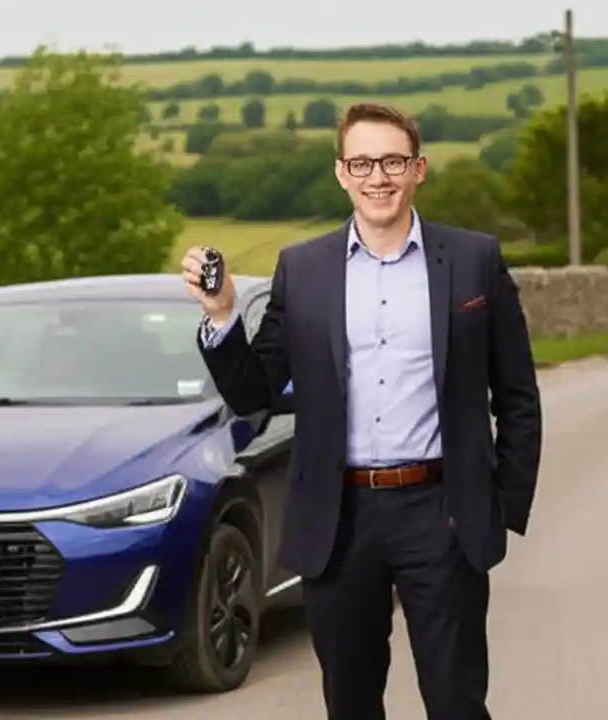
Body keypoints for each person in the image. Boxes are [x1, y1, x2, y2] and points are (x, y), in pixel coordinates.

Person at [180, 101, 542, 719]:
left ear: (418, 168)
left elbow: (517, 396)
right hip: (339, 518)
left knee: (456, 701)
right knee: (349, 702)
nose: (379, 177)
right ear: (341, 172)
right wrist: (221, 317)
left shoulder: (473, 260)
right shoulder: (302, 269)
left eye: (393, 162)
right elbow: (254, 395)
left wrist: (500, 503)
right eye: (363, 163)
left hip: (443, 512)